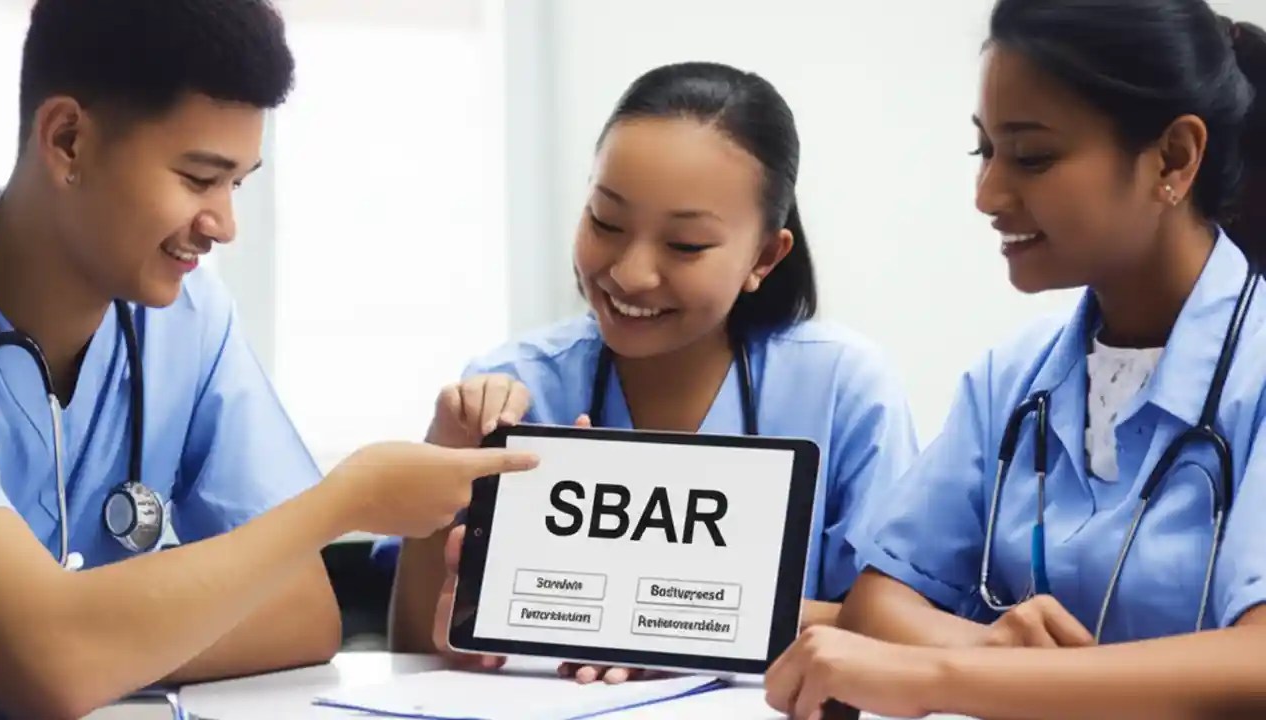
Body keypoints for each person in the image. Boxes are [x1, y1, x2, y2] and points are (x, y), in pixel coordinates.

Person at [0, 2, 538, 718]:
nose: (224, 225)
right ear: (68, 141)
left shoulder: (189, 320)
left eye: (237, 183)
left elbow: (305, 614)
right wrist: (345, 499)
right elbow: (53, 665)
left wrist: (82, 637)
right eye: (197, 178)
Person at [762, 1, 1266, 718]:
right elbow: (881, 601)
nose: (987, 195)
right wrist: (982, 651)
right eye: (985, 152)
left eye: (1031, 156)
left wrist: (939, 677)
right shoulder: (1013, 378)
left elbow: (1257, 661)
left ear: (1175, 158)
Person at [382, 61, 920, 683]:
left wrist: (668, 624)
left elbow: (896, 629)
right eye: (605, 223)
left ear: (765, 257)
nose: (631, 273)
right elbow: (416, 654)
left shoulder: (843, 388)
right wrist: (442, 455)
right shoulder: (513, 386)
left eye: (686, 245)